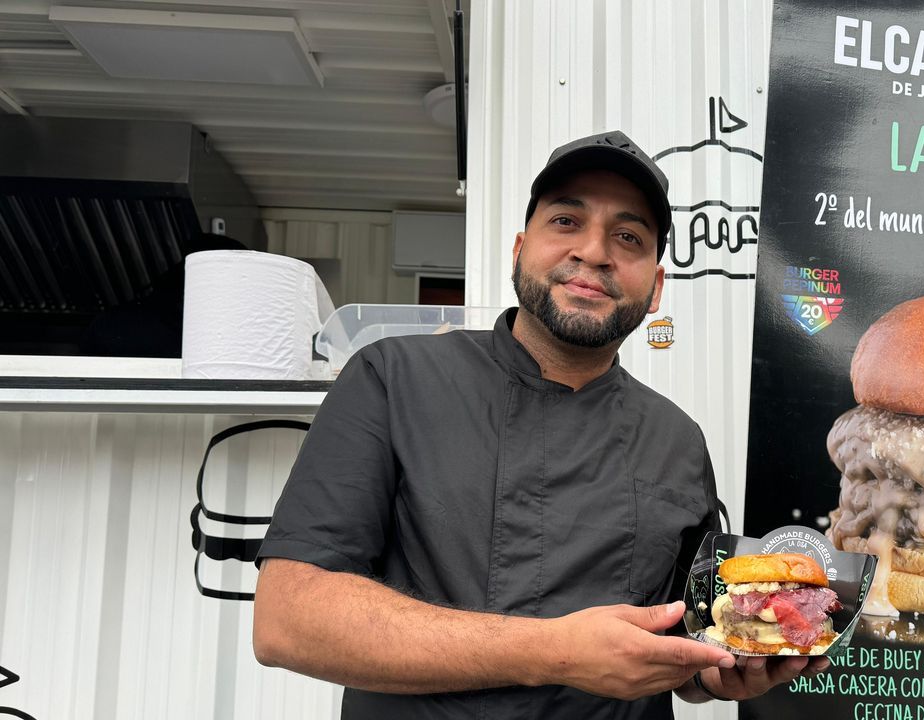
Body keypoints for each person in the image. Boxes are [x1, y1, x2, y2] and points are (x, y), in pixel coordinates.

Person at [252, 130, 828, 718]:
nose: (595, 252)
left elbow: (688, 638)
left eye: (628, 237)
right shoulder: (393, 378)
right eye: (566, 222)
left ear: (655, 288)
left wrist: (722, 671)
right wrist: (551, 651)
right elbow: (288, 618)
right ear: (519, 250)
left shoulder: (677, 439)